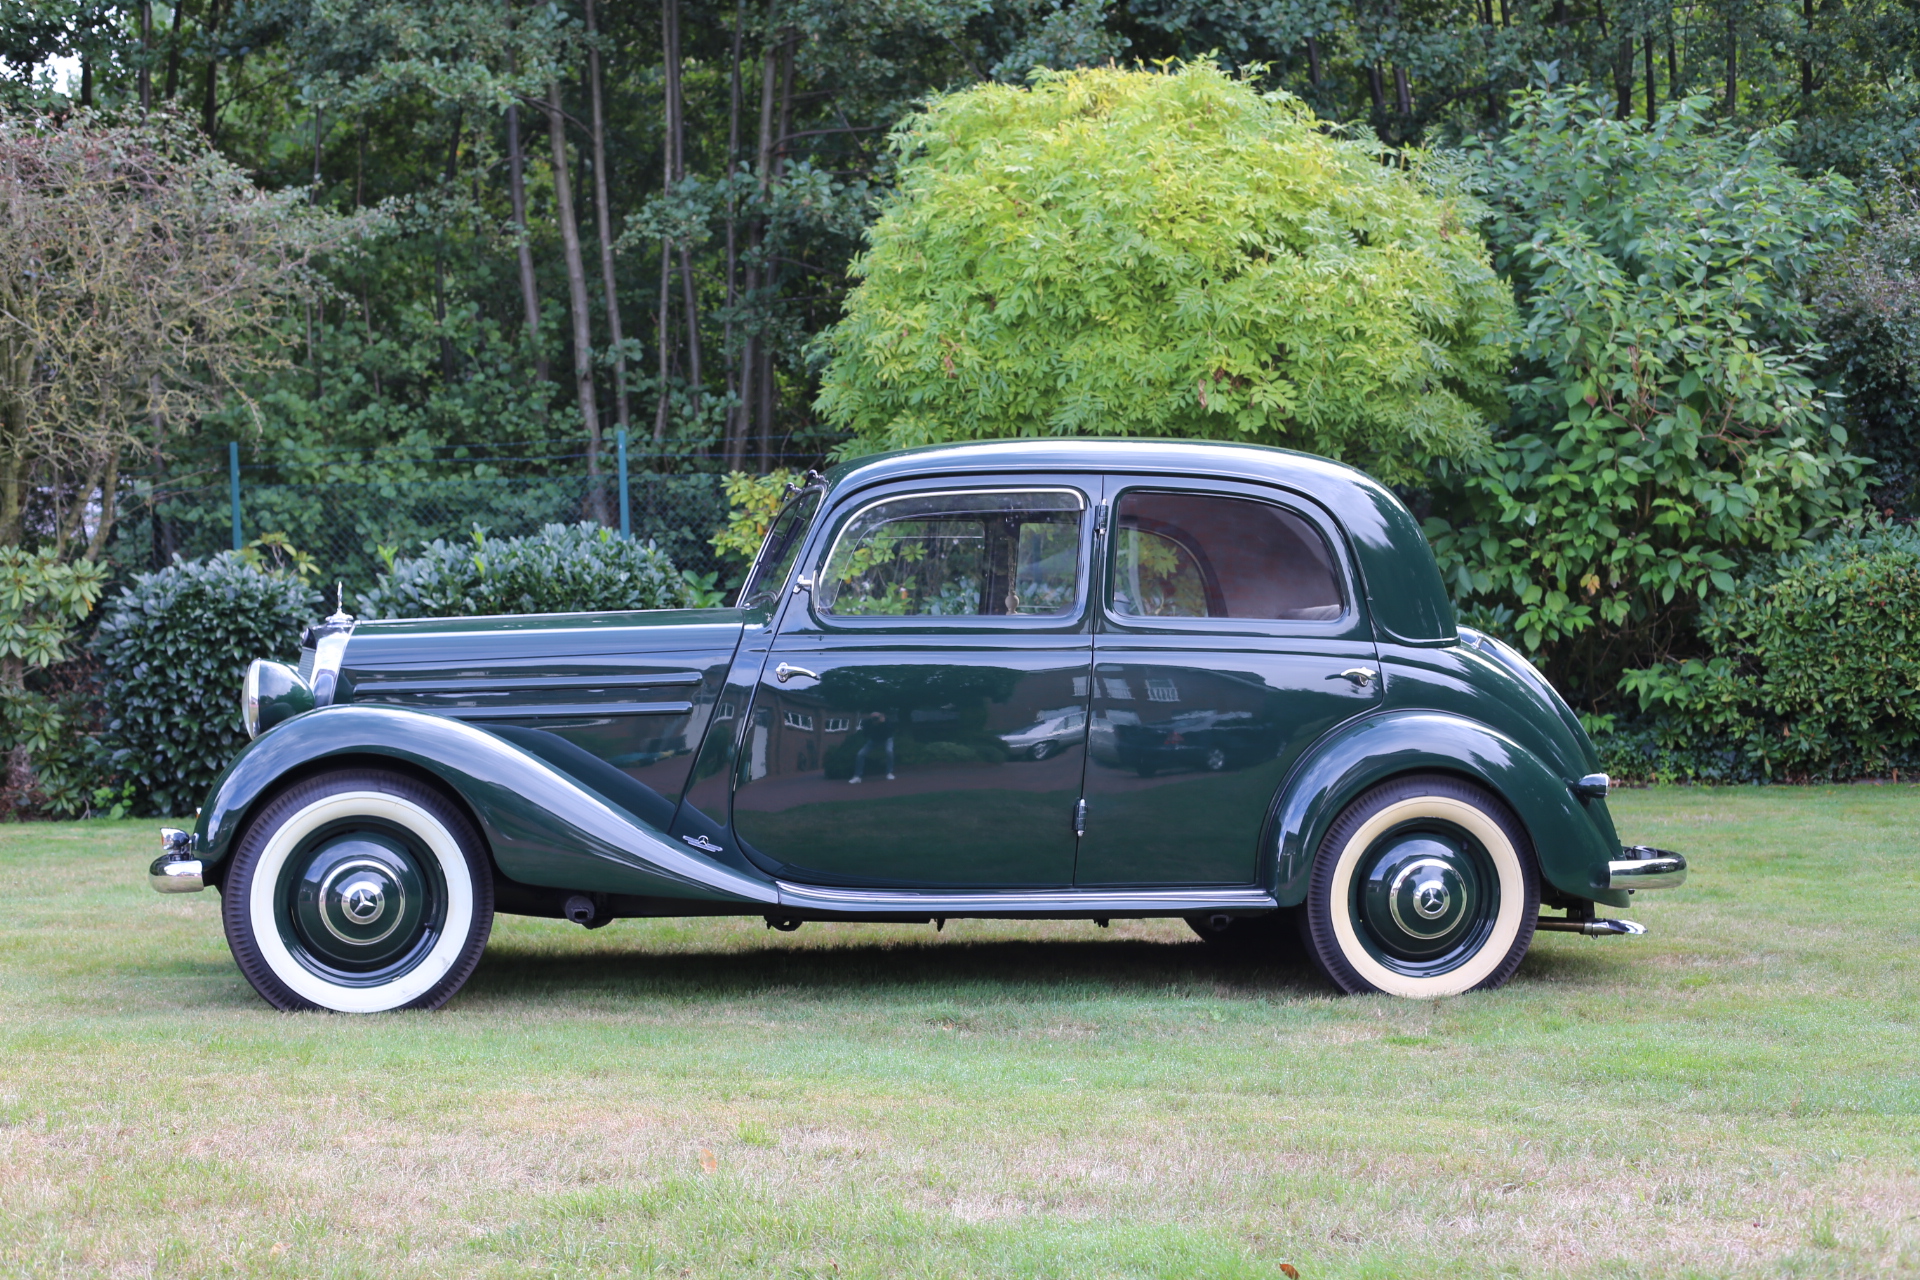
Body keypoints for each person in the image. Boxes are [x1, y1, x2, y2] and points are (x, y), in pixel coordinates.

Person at [849, 709, 896, 782]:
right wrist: (874, 726)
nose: (875, 720)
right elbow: (865, 734)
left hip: (887, 740)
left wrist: (882, 724)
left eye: (877, 718)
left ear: (880, 717)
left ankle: (889, 772)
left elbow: (889, 732)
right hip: (874, 741)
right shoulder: (868, 723)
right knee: (860, 754)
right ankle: (857, 776)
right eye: (873, 718)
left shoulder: (886, 721)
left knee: (889, 751)